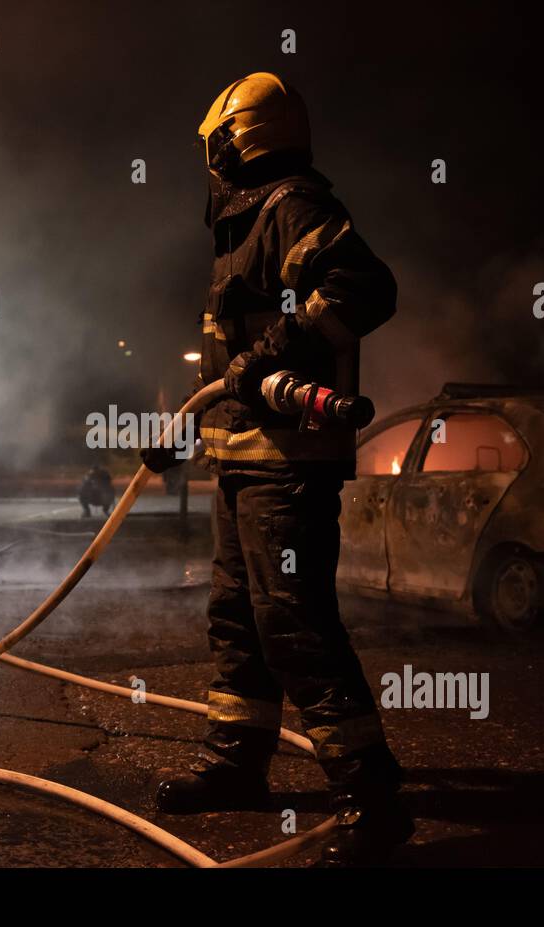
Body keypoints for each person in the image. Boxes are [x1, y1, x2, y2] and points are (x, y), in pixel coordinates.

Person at [141, 72, 410, 866]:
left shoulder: (294, 203)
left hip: (289, 464)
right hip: (242, 459)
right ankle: (238, 763)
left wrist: (280, 350)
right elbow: (232, 367)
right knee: (238, 618)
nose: (209, 160)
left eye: (214, 145)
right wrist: (183, 430)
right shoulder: (241, 223)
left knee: (291, 619)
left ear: (237, 140)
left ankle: (372, 793)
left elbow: (365, 286)